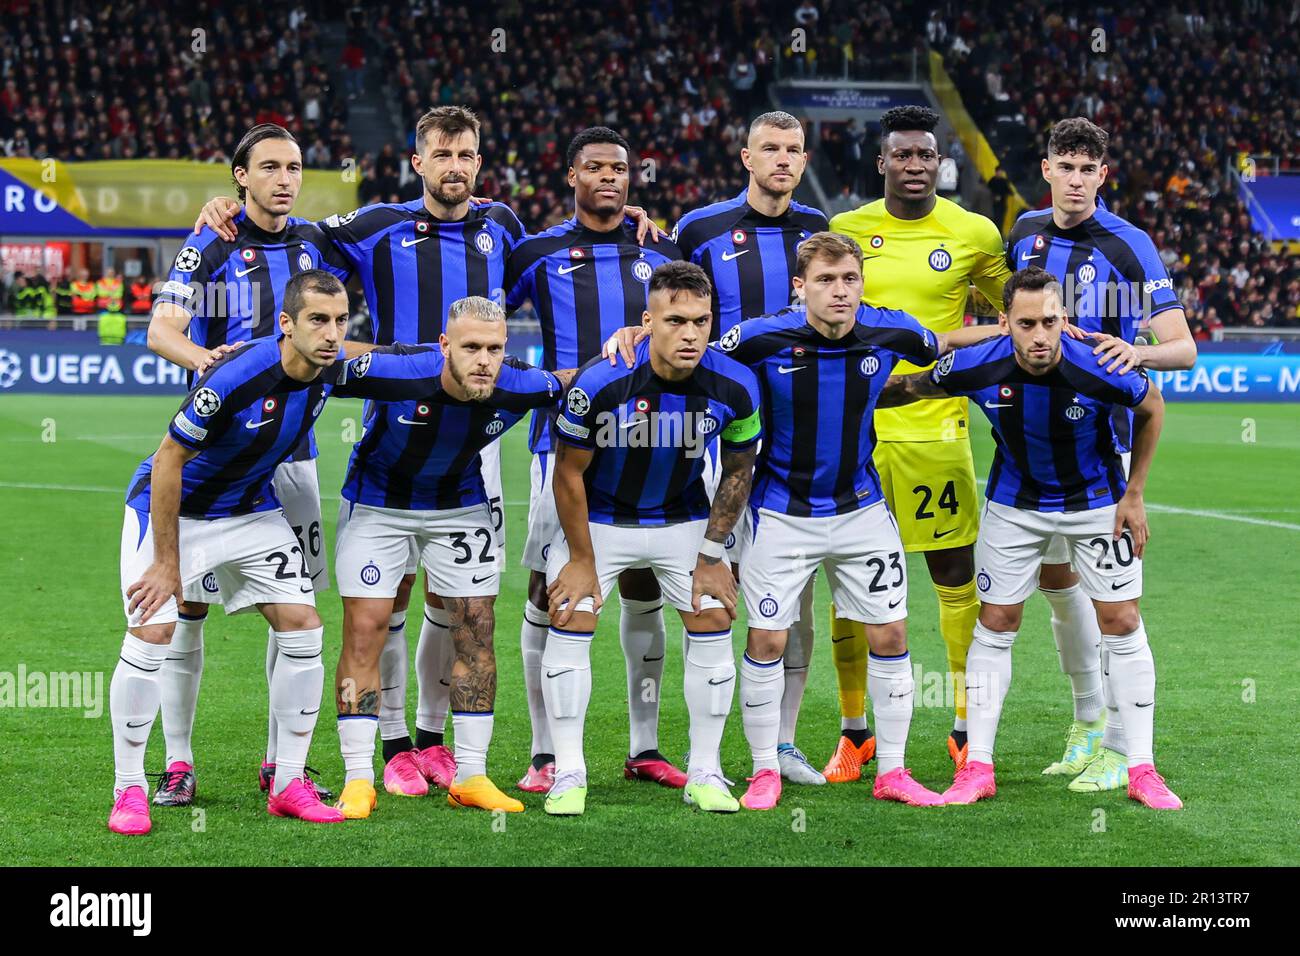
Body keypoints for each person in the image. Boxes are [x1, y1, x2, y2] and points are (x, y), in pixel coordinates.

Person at [195, 107, 661, 797]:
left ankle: (437, 740)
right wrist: (226, 206)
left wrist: (631, 222)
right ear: (418, 161)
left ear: (479, 160)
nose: (455, 166)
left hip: (476, 444)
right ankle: (390, 744)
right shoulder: (377, 226)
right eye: (442, 154)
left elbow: (567, 261)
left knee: (462, 602)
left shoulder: (503, 227)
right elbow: (286, 233)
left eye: (466, 154)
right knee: (390, 598)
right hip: (392, 437)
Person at [718, 231, 1002, 810]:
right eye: (825, 280)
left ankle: (892, 771)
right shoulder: (759, 337)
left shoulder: (891, 330)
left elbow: (943, 348)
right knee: (769, 638)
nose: (839, 292)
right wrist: (636, 334)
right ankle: (764, 769)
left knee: (891, 633)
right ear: (800, 287)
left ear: (862, 284)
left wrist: (1014, 331)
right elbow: (691, 354)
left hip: (861, 510)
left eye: (849, 279)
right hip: (780, 512)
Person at [881, 266, 1182, 810]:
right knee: (996, 622)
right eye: (1026, 324)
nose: (1040, 335)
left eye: (1049, 321)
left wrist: (1134, 493)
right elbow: (907, 388)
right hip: (1015, 507)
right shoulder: (976, 363)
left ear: (1064, 320)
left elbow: (1152, 406)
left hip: (1096, 506)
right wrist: (832, 394)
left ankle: (1141, 767)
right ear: (1005, 324)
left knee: (1122, 620)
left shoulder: (1099, 365)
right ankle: (978, 766)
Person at [108, 270, 378, 835]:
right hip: (174, 513)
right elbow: (166, 461)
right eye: (317, 321)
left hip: (251, 512)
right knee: (155, 630)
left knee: (303, 624)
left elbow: (404, 361)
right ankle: (128, 788)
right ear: (286, 324)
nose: (332, 334)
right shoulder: (237, 375)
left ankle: (288, 783)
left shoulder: (331, 367)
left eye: (339, 321)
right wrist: (167, 561)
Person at [147, 123, 351, 808]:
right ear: (240, 176)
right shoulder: (213, 240)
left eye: (294, 166)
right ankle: (178, 763)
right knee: (187, 606)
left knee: (295, 609)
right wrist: (208, 363)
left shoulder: (317, 241)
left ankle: (278, 764)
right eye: (268, 167)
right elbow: (160, 330)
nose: (284, 179)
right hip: (220, 451)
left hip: (292, 458)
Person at [1005, 117, 1196, 791]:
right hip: (1030, 450)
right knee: (1060, 592)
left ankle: (1122, 745)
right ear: (1048, 168)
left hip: (1101, 452)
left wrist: (1136, 350)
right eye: (1067, 164)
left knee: (1116, 608)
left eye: (1090, 168)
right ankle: (1088, 723)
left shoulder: (1129, 244)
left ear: (1102, 176)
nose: (1078, 178)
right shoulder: (1023, 234)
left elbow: (1184, 347)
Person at [330, 296, 574, 818]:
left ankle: (471, 773)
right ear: (444, 345)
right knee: (367, 628)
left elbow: (572, 380)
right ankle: (358, 778)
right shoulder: (395, 371)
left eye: (494, 349)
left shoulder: (519, 384)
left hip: (459, 506)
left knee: (476, 628)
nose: (483, 360)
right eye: (470, 348)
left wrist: (627, 347)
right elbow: (317, 361)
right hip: (377, 504)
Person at [826, 105, 1011, 782]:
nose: (913, 165)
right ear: (882, 163)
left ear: (940, 162)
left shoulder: (973, 233)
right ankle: (855, 734)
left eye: (924, 155)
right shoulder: (846, 229)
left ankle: (964, 726)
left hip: (935, 425)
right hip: (854, 425)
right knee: (848, 585)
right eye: (901, 155)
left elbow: (1010, 308)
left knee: (953, 576)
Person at [504, 126, 686, 794]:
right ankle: (546, 751)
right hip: (561, 445)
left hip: (656, 442)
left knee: (643, 587)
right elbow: (485, 326)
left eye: (621, 167)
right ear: (571, 177)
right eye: (596, 167)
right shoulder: (537, 252)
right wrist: (553, 377)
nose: (610, 177)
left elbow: (697, 313)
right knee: (550, 591)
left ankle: (645, 748)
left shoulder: (660, 246)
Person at [544, 261, 760, 816]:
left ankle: (706, 771)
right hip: (600, 519)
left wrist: (713, 556)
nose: (690, 334)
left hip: (682, 517)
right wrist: (581, 559)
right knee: (570, 614)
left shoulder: (735, 385)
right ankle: (568, 770)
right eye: (675, 321)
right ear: (648, 321)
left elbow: (738, 471)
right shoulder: (602, 379)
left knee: (714, 615)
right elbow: (567, 471)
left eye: (701, 321)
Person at [665, 109, 829, 785]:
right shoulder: (701, 228)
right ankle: (692, 749)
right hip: (711, 433)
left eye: (794, 149)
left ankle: (782, 743)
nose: (784, 160)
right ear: (745, 155)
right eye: (771, 148)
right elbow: (668, 301)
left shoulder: (819, 231)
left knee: (796, 599)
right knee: (698, 587)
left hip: (795, 433)